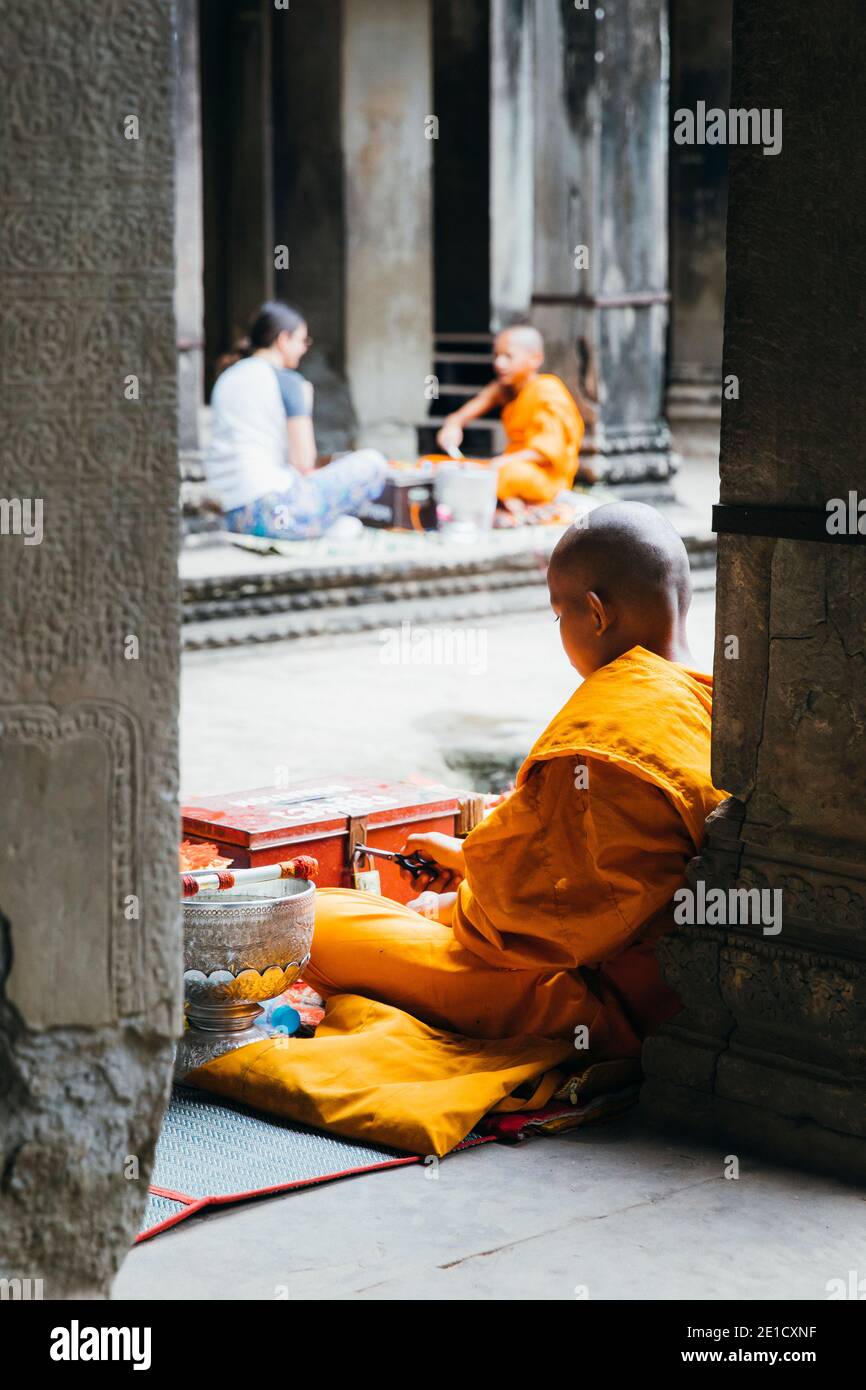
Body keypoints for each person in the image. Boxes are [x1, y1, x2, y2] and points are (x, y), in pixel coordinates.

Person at [190, 503, 726, 1156]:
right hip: (655, 982)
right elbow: (580, 875)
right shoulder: (715, 700)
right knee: (391, 911)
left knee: (318, 922)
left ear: (595, 612)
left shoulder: (614, 728)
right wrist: (471, 860)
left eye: (560, 614)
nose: (562, 630)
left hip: (599, 1008)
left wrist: (456, 898)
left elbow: (516, 929)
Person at [205, 301, 386, 539]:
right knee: (373, 463)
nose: (304, 349)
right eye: (302, 341)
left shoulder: (228, 376)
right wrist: (305, 405)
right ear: (283, 339)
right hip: (274, 511)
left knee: (345, 527)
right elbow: (303, 462)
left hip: (231, 515)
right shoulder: (288, 381)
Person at [436, 325, 585, 506]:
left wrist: (502, 462)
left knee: (507, 474)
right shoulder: (503, 389)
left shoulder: (547, 390)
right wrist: (452, 427)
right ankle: (508, 500)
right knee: (438, 464)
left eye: (508, 356)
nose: (499, 363)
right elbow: (459, 417)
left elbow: (547, 451)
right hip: (510, 464)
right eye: (496, 356)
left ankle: (507, 500)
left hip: (546, 478)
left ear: (535, 359)